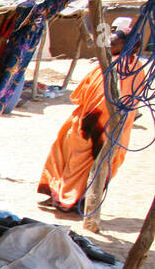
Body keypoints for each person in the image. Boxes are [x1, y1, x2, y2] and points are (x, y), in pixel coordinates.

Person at [38, 19, 148, 213]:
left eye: (113, 43)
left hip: (97, 125)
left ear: (126, 44)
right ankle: (61, 193)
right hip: (100, 123)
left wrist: (91, 124)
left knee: (86, 160)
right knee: (65, 150)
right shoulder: (122, 65)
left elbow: (102, 99)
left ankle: (71, 200)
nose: (108, 46)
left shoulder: (122, 68)